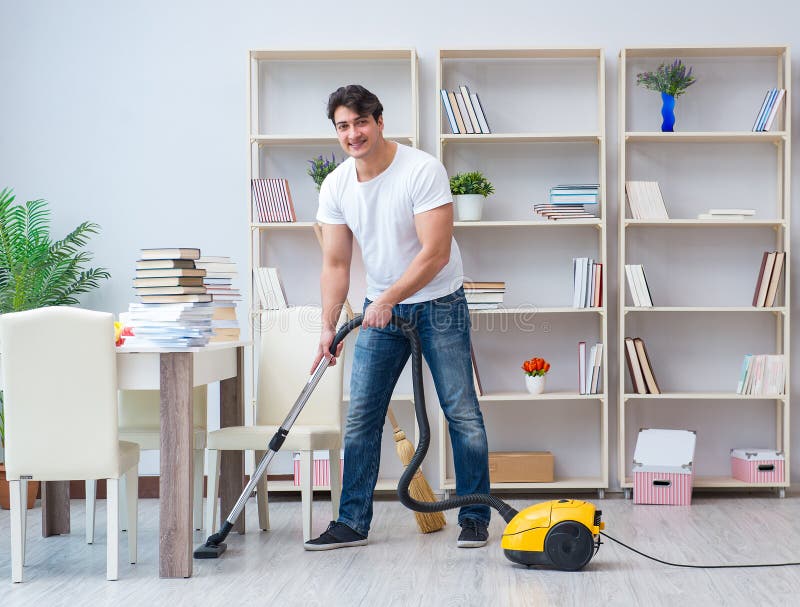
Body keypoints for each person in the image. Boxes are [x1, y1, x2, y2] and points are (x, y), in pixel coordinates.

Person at [304, 84, 491, 551]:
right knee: (362, 415)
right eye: (343, 126)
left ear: (380, 121)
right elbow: (336, 263)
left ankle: (474, 517)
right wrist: (329, 324)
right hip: (380, 307)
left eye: (361, 122)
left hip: (439, 301)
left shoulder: (422, 169)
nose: (353, 134)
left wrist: (388, 298)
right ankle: (351, 522)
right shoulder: (336, 185)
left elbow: (436, 252)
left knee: (461, 412)